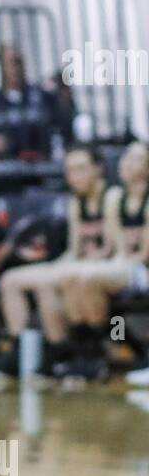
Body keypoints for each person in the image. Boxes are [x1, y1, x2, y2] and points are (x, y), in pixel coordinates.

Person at [0, 146, 111, 383]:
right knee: (12, 280)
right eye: (70, 170)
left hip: (106, 269)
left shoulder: (112, 197)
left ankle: (74, 352)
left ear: (98, 169)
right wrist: (53, 267)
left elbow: (113, 249)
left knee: (59, 280)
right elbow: (74, 251)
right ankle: (25, 350)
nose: (75, 176)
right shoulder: (75, 203)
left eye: (81, 169)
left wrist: (65, 268)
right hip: (79, 264)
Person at [58, 142, 149, 384]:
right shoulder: (115, 200)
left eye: (136, 159)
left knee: (87, 276)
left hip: (142, 268)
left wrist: (113, 264)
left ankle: (112, 350)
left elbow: (144, 254)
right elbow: (118, 248)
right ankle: (88, 353)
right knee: (73, 276)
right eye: (125, 158)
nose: (127, 162)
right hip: (125, 265)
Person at [0, 45, 62, 196]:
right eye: (10, 62)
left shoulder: (44, 99)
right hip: (2, 186)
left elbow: (62, 133)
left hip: (43, 181)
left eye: (19, 61)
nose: (15, 67)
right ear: (1, 65)